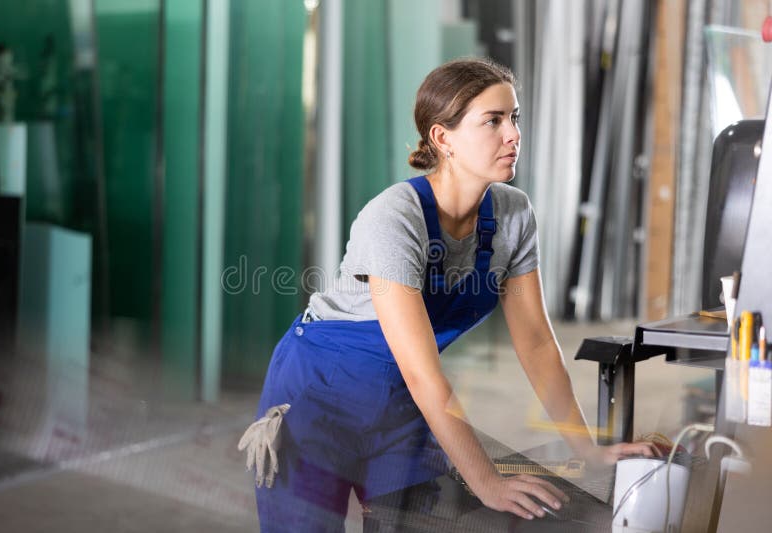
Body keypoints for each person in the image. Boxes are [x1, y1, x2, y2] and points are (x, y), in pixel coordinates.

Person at [240, 58, 658, 532]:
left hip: (402, 408)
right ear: (443, 139)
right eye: (493, 121)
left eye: (514, 117)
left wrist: (587, 449)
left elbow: (538, 342)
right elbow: (423, 373)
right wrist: (487, 480)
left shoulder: (513, 214)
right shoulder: (393, 218)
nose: (513, 135)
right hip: (319, 400)